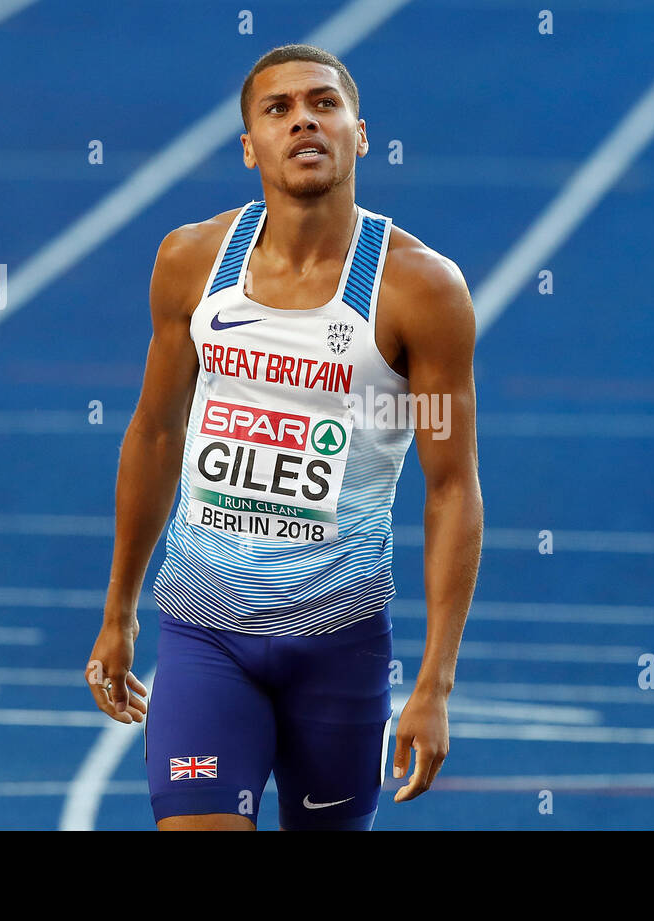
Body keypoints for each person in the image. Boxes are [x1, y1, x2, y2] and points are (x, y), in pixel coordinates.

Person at [84, 43, 482, 831]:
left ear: (358, 134)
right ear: (250, 146)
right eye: (279, 108)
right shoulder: (192, 262)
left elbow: (450, 485)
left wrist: (435, 681)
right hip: (205, 633)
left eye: (323, 104)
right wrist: (119, 609)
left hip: (339, 646)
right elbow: (157, 435)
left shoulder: (419, 291)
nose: (304, 118)